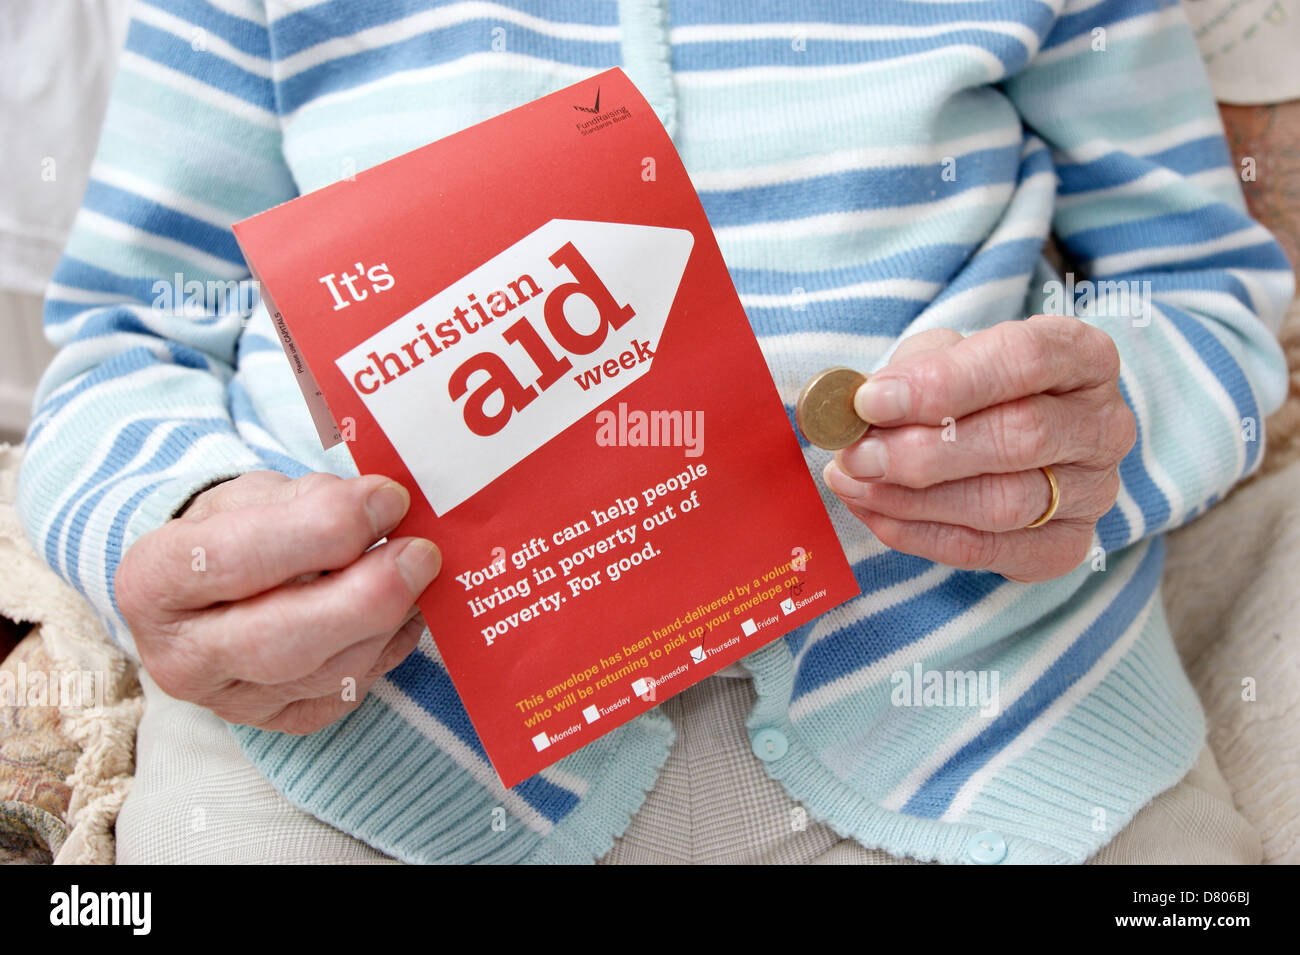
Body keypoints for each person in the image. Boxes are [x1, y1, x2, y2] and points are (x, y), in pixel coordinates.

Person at [18, 0, 1288, 864]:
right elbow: (127, 337)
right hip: (358, 751)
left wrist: (1102, 443)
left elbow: (1205, 289)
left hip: (1015, 731)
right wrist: (181, 529)